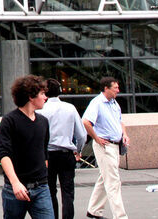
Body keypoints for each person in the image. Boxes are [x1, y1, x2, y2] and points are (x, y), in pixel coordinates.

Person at [0, 75, 52, 219]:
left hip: (41, 188)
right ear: (31, 97)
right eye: (42, 94)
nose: (45, 97)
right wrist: (15, 183)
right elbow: (3, 154)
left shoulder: (43, 122)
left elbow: (44, 152)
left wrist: (43, 176)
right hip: (14, 189)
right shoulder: (9, 121)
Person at [37, 79, 85, 219]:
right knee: (68, 192)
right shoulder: (70, 108)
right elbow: (82, 135)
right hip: (66, 153)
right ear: (60, 91)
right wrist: (78, 150)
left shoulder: (41, 110)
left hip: (47, 155)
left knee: (50, 191)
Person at [82, 77, 128, 219]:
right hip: (105, 146)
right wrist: (96, 138)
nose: (118, 90)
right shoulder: (97, 103)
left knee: (106, 177)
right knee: (113, 181)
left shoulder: (114, 103)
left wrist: (124, 134)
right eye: (115, 88)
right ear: (106, 88)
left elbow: (120, 121)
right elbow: (86, 121)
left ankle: (94, 210)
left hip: (114, 145)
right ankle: (120, 216)